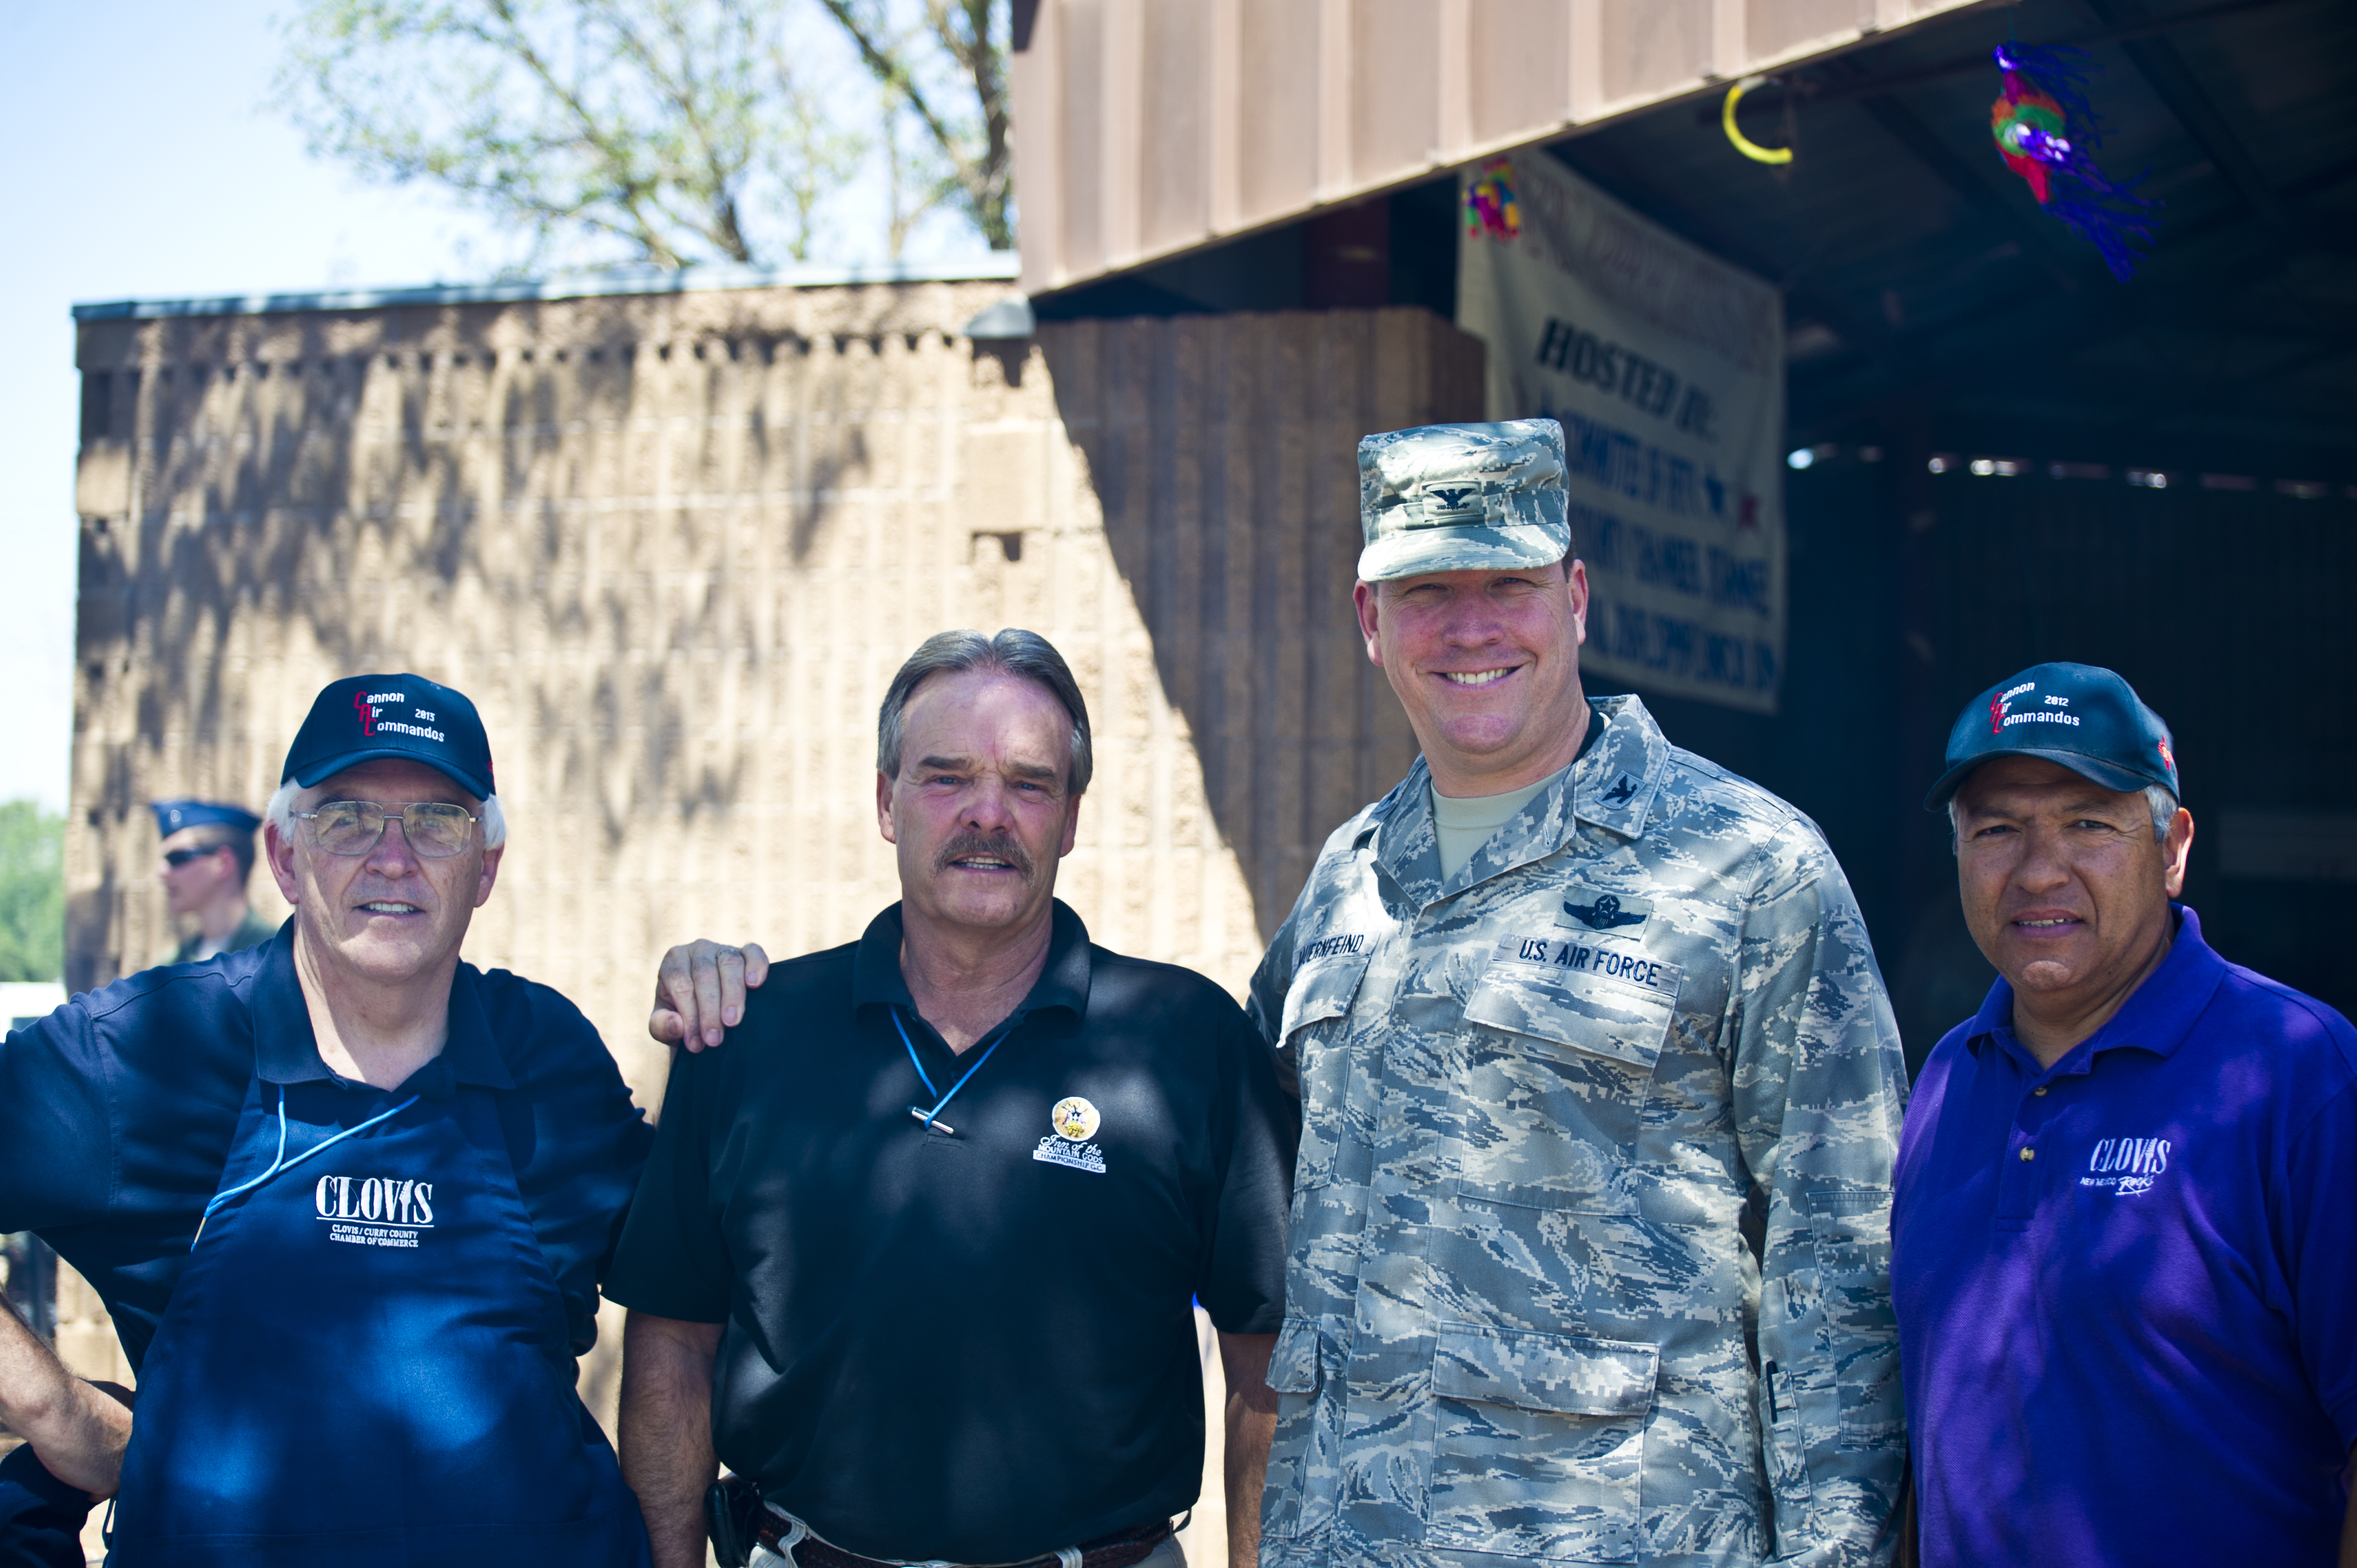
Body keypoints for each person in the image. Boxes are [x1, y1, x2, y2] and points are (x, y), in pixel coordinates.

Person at [657, 423, 1913, 1566]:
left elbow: (1845, 1276)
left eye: (1509, 584)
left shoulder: (1748, 868)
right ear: (1371, 618)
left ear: (1574, 598)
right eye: (1428, 591)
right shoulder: (1349, 887)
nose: (1470, 627)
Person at [615, 630, 1296, 1568]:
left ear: (1071, 816)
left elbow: (1268, 1361)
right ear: (886, 801)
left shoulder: (1190, 1041)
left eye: (1028, 783)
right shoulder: (750, 1038)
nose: (989, 813)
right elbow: (672, 1343)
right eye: (946, 777)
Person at [0, 673, 656, 1567]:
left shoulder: (550, 1055)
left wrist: (736, 1016)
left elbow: (706, 1263)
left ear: (486, 867)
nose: (393, 856)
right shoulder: (149, 1054)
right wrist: (55, 1411)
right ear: (283, 856)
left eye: (437, 820)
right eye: (347, 817)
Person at [1893, 662, 2357, 1566]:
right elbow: (1933, 1428)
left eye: (2087, 824)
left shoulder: (2301, 1071)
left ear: (2174, 847)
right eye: (1996, 829)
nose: (2038, 869)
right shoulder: (1949, 1077)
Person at [152, 800, 275, 962]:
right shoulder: (170, 967)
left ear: (223, 863)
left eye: (178, 858)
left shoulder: (276, 954)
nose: (162, 872)